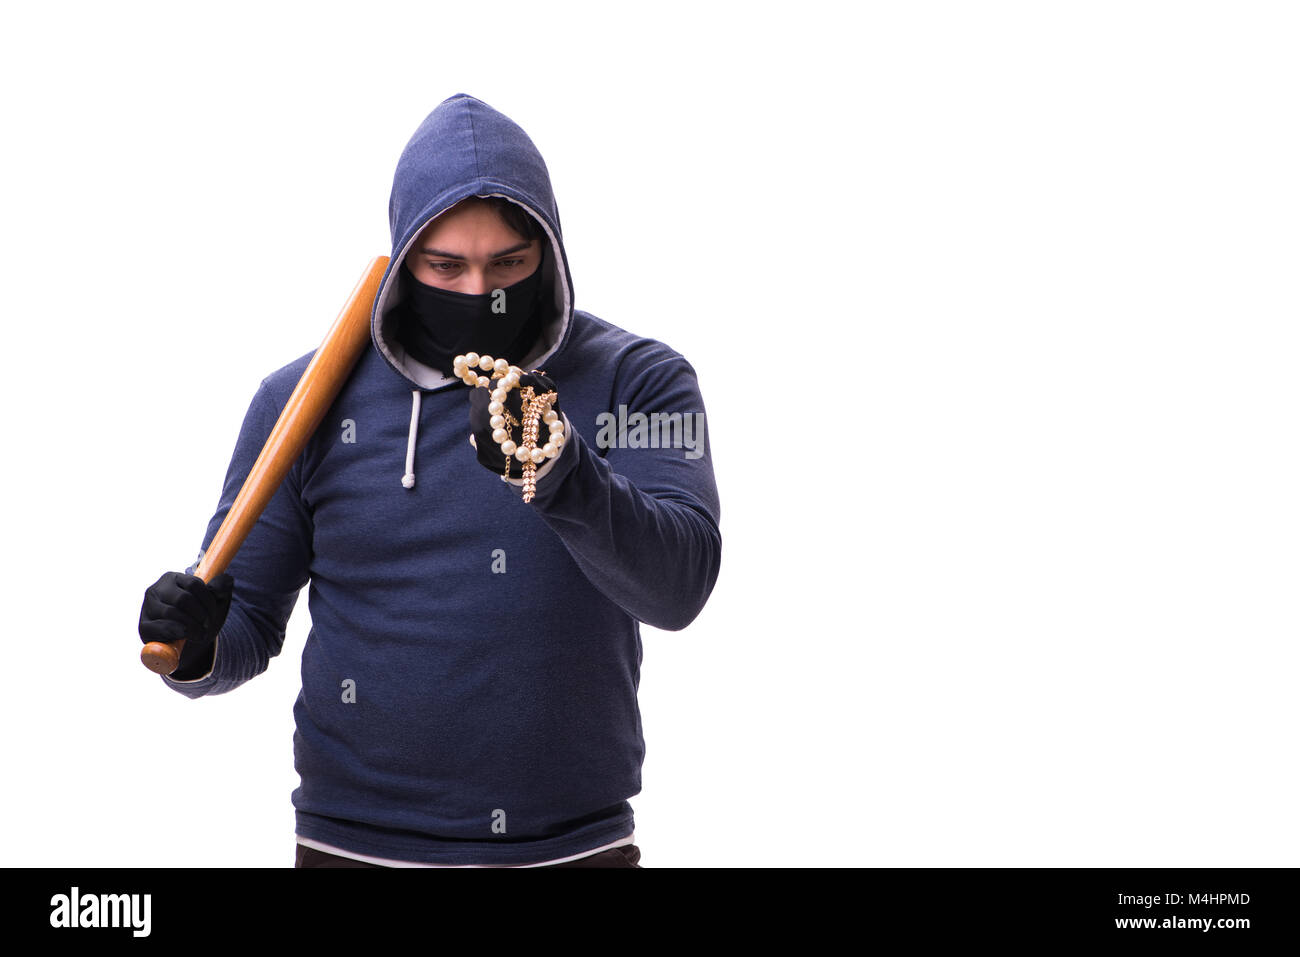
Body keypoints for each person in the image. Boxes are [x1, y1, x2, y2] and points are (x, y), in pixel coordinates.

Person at [137, 93, 722, 867]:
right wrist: (196, 646)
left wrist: (561, 472)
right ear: (405, 256)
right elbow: (244, 625)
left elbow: (678, 587)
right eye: (446, 265)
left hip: (575, 849)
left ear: (548, 250)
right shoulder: (298, 402)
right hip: (351, 849)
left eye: (509, 263)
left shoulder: (639, 381)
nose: (480, 292)